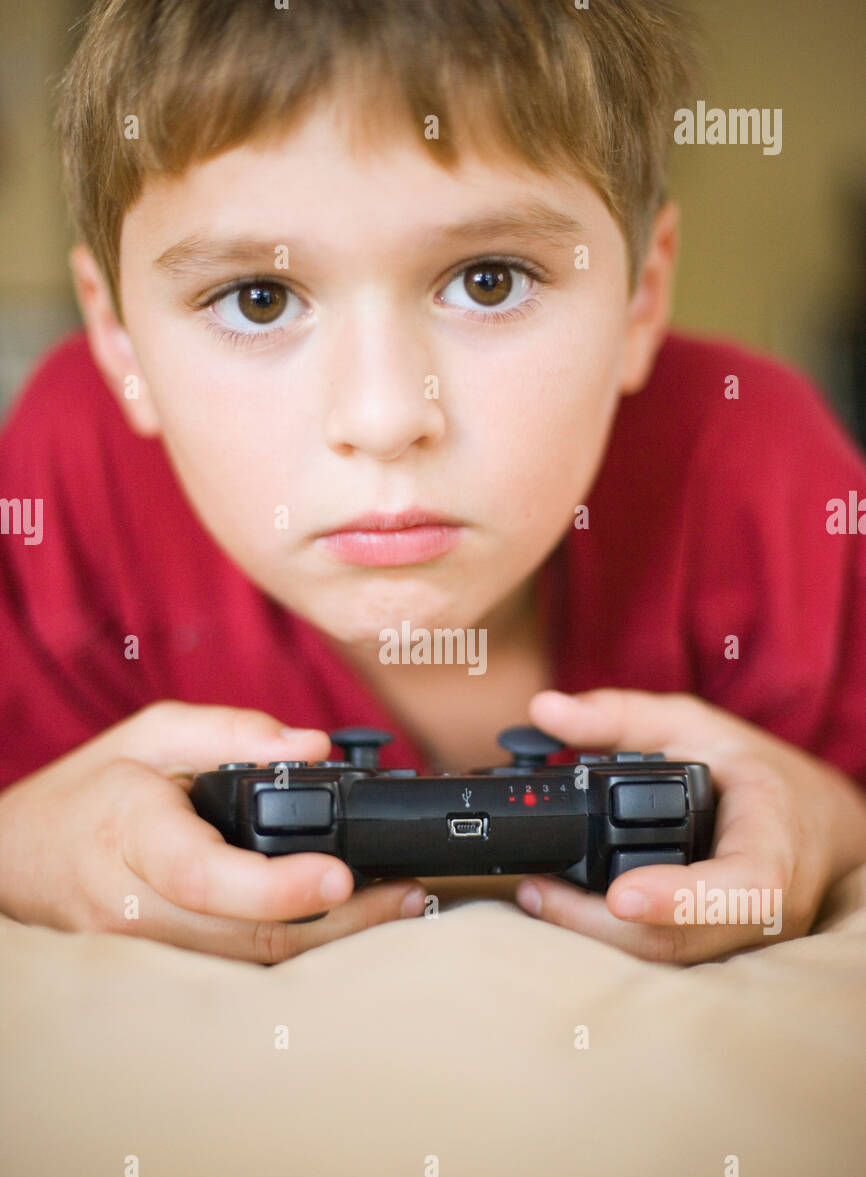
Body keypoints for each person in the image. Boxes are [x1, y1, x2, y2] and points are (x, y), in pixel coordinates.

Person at [1, 0, 865, 965]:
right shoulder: (71, 480)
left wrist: (825, 818)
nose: (383, 417)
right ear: (118, 339)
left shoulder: (760, 474)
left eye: (489, 280)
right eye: (259, 297)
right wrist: (22, 843)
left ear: (639, 298)